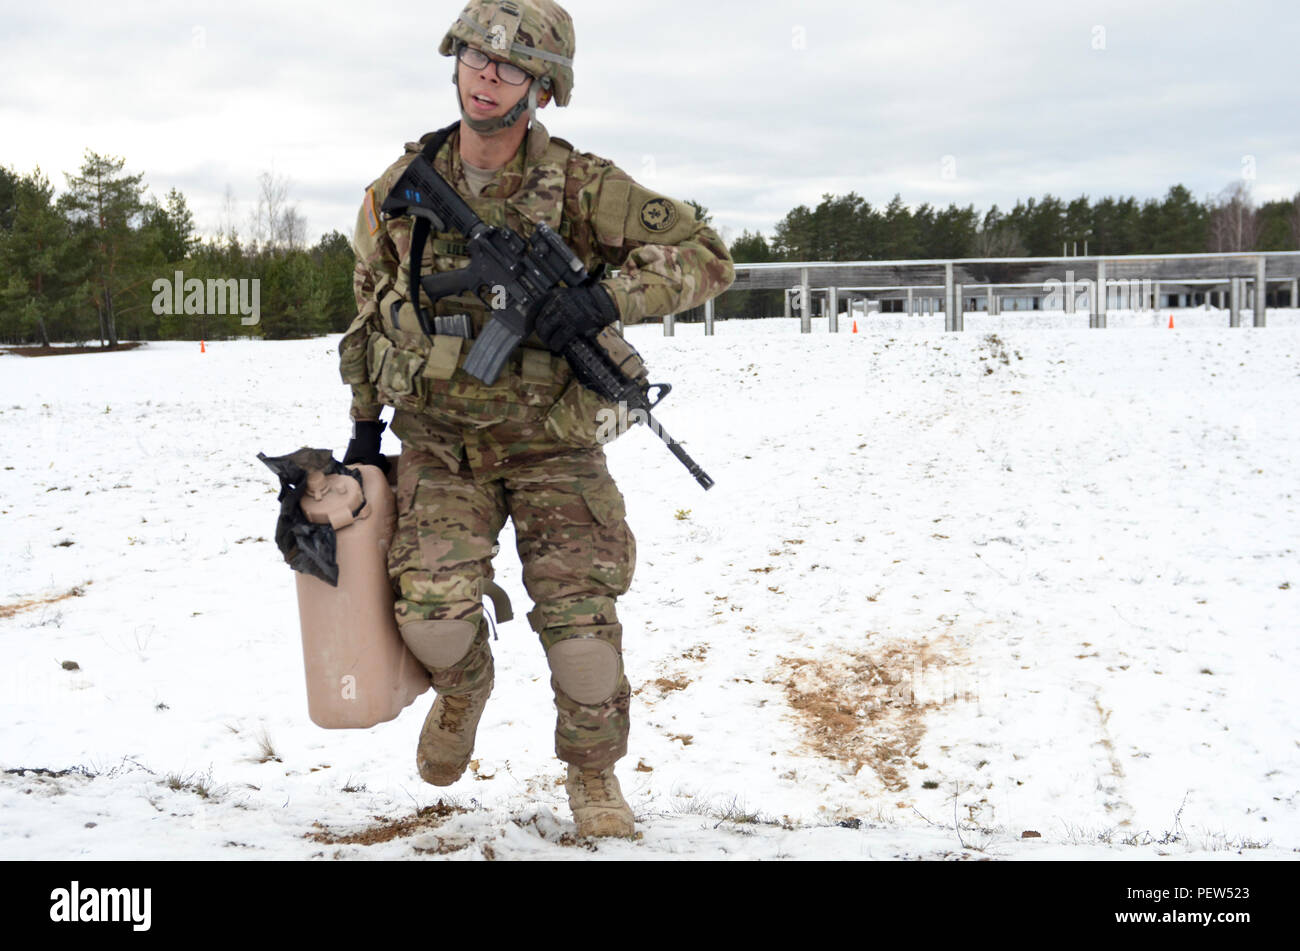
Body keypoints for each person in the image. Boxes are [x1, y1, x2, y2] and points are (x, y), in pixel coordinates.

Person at [338, 0, 733, 838]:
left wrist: (606, 295)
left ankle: (593, 777)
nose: (488, 76)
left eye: (511, 67)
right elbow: (370, 312)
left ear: (543, 89)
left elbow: (707, 255)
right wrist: (365, 430)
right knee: (431, 615)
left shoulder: (584, 184)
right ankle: (465, 686)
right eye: (477, 59)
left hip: (556, 443)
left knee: (581, 627)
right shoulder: (399, 190)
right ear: (453, 63)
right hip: (442, 443)